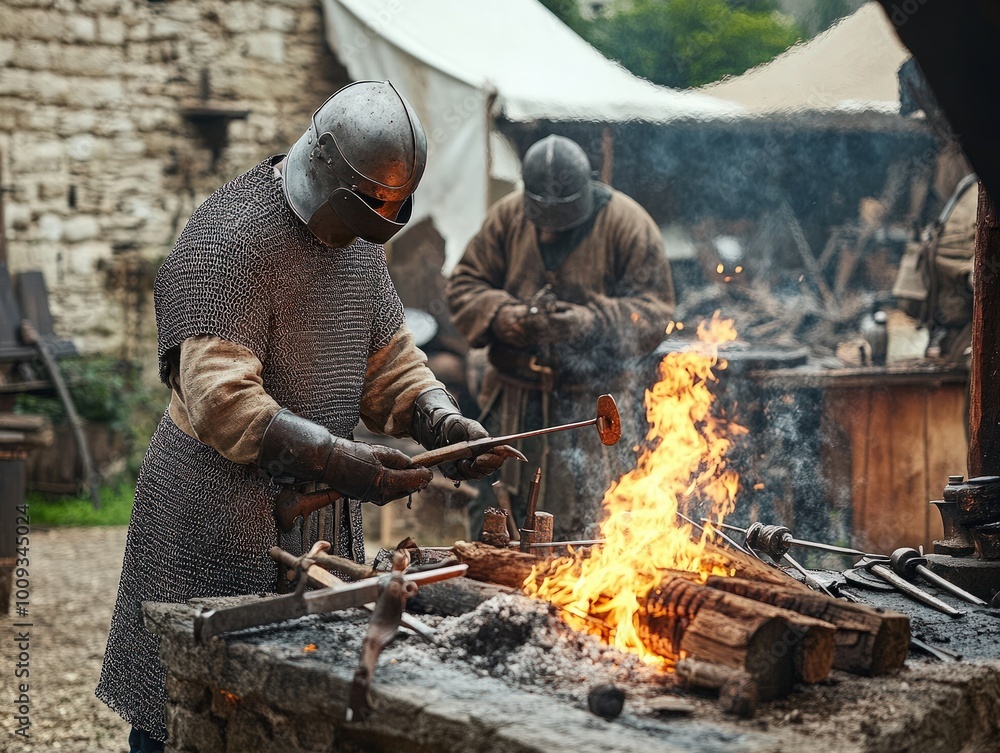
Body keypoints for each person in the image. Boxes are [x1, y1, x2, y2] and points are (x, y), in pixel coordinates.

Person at [97, 81, 509, 753]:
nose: (373, 218)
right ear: (326, 168)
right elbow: (222, 401)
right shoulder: (227, 240)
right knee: (182, 704)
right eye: (366, 204)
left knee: (295, 711)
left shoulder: (357, 244)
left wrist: (439, 419)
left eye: (386, 207)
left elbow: (388, 363)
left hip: (314, 526)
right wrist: (340, 458)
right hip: (212, 516)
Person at [447, 134, 675, 540]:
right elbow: (465, 284)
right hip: (514, 401)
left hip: (595, 405)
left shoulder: (628, 224)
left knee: (595, 519)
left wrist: (594, 322)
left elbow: (656, 311)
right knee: (498, 520)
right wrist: (504, 316)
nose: (550, 233)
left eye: (561, 223)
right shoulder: (507, 217)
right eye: (542, 221)